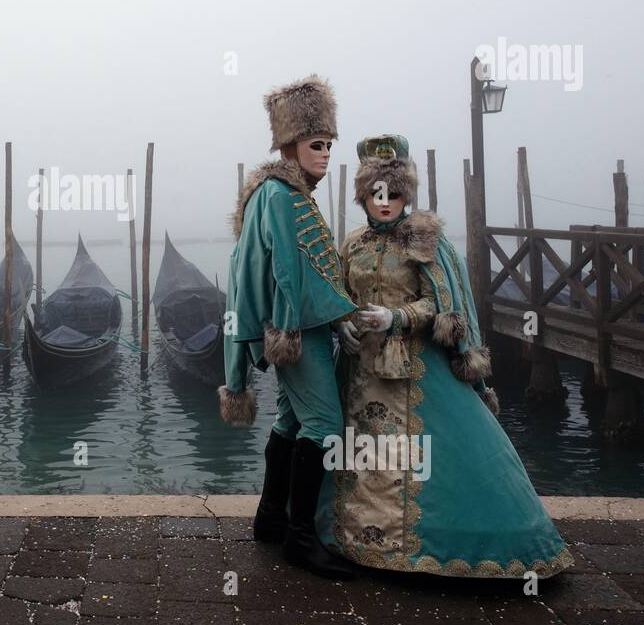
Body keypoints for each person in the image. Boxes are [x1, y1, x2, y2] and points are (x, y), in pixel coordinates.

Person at [317, 134, 572, 578]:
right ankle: (358, 543)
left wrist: (393, 318)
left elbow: (442, 303)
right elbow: (339, 294)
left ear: (405, 195)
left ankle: (447, 549)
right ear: (363, 195)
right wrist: (344, 321)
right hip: (358, 373)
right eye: (375, 194)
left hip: (415, 369)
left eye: (393, 194)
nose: (384, 202)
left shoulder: (424, 238)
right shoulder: (353, 243)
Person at [220, 74, 360, 578]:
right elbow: (282, 268)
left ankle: (270, 518)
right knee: (324, 424)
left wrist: (338, 313)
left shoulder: (291, 192)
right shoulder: (280, 194)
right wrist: (285, 332)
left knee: (291, 421)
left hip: (306, 325)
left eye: (328, 145)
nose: (325, 154)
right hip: (296, 333)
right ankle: (302, 539)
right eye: (315, 145)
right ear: (289, 144)